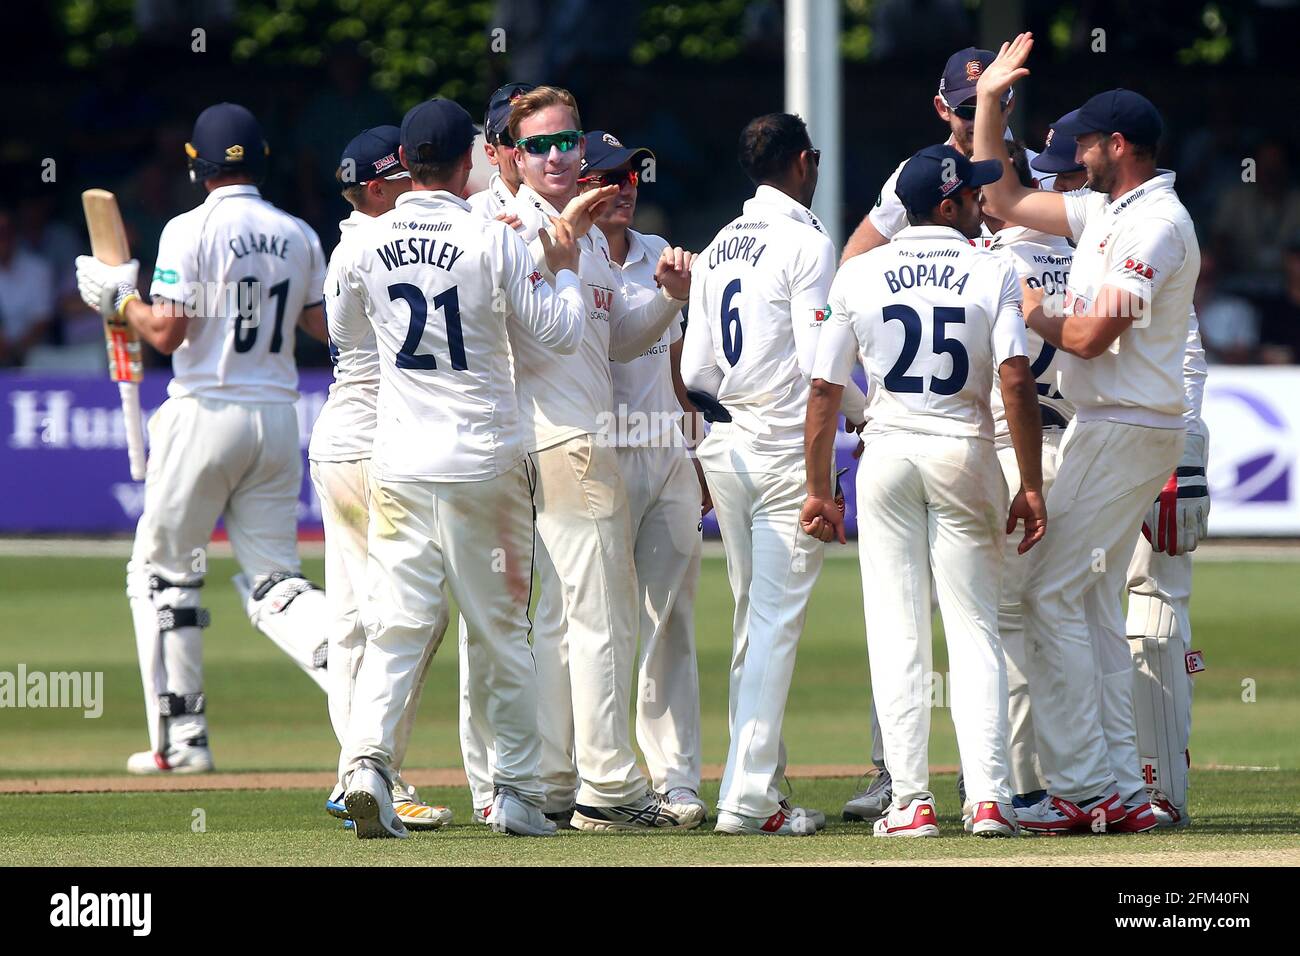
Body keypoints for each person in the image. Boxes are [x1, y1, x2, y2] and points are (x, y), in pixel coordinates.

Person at [332, 97, 590, 839]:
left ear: (406, 162)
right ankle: (511, 791)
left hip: (401, 464)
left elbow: (351, 347)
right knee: (504, 630)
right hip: (484, 461)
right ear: (469, 160)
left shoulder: (362, 247)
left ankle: (367, 768)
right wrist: (565, 269)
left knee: (398, 625)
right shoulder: (491, 237)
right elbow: (561, 334)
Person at [973, 34, 1200, 834]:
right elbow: (1000, 199)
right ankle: (1123, 791)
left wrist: (1033, 314)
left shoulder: (1158, 227)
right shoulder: (1110, 209)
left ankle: (1081, 788)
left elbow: (1091, 338)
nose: (1074, 159)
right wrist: (992, 100)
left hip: (1124, 426)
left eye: (1087, 148)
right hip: (1116, 425)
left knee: (1044, 591)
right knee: (1092, 602)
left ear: (1120, 147)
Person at [74, 103, 333, 774]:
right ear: (263, 159)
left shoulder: (190, 229)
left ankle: (181, 742)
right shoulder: (299, 232)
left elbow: (166, 333)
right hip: (278, 417)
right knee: (277, 578)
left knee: (161, 575)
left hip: (206, 412)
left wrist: (116, 301)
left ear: (198, 166)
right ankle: (347, 659)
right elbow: (320, 326)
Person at [803, 144, 1045, 838]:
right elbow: (1015, 380)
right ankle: (991, 799)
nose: (980, 201)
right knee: (975, 630)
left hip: (887, 451)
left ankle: (910, 802)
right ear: (948, 205)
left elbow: (823, 392)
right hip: (963, 450)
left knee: (897, 631)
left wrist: (820, 490)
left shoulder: (858, 273)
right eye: (971, 193)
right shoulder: (991, 267)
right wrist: (1029, 482)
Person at [496, 85, 703, 831]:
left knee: (562, 621)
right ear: (514, 158)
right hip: (564, 436)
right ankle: (610, 788)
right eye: (540, 145)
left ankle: (551, 781)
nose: (557, 155)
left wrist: (671, 300)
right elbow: (546, 334)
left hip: (574, 435)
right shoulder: (520, 227)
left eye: (566, 141)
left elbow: (611, 338)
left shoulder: (575, 236)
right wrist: (555, 251)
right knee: (604, 620)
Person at [681, 113, 866, 836]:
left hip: (725, 444)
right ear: (799, 163)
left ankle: (759, 788)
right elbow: (821, 360)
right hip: (785, 447)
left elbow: (695, 367)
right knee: (774, 625)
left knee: (753, 621)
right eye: (813, 158)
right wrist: (866, 408)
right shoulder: (805, 241)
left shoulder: (721, 243)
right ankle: (749, 799)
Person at [307, 125, 451, 832]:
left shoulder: (354, 246)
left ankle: (360, 772)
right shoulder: (374, 244)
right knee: (404, 617)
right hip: (369, 448)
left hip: (346, 442)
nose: (417, 189)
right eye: (402, 180)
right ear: (373, 188)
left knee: (360, 621)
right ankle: (370, 774)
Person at [580, 129, 709, 814]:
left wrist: (697, 448)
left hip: (664, 453)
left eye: (631, 176)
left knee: (671, 618)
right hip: (598, 454)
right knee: (599, 623)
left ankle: (676, 775)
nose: (624, 187)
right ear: (580, 185)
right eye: (608, 177)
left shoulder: (662, 255)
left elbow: (677, 368)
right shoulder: (573, 257)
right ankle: (590, 773)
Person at [840, 46, 1018, 263]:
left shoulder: (1045, 174)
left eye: (990, 107)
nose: (979, 121)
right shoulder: (915, 175)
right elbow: (855, 259)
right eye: (965, 111)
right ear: (942, 108)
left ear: (1009, 105)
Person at [0, 208, 55, 367]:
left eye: (3, 232)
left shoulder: (38, 269)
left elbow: (43, 319)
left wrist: (14, 350)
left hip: (31, 354)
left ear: (14, 234)